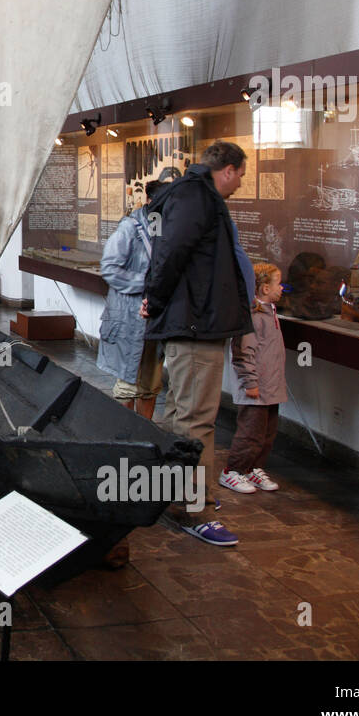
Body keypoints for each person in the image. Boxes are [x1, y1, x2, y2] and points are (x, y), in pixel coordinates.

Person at [140, 141, 253, 547]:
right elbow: (170, 254)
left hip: (196, 322)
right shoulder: (196, 196)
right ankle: (193, 508)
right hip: (195, 325)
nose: (240, 183)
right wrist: (155, 299)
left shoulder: (195, 195)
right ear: (228, 169)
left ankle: (170, 495)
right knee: (196, 421)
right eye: (241, 174)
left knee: (179, 414)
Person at [98, 180, 166, 420]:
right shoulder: (129, 228)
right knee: (128, 382)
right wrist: (146, 284)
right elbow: (109, 268)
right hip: (129, 317)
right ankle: (127, 437)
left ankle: (146, 436)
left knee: (150, 383)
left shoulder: (164, 227)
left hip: (154, 319)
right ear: (149, 201)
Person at [223, 262, 286, 493]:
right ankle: (233, 471)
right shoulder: (253, 317)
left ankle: (253, 468)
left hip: (270, 387)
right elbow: (242, 353)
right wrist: (250, 382)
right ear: (264, 289)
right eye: (278, 284)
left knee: (267, 434)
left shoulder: (269, 313)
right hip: (256, 388)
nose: (283, 288)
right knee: (250, 434)